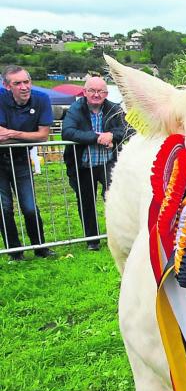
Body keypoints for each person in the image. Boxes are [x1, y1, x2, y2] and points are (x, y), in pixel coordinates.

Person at [62, 76, 126, 250]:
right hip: (83, 165)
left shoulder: (114, 108)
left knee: (114, 201)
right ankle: (92, 240)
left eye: (100, 91)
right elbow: (67, 132)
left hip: (108, 164)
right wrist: (98, 138)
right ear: (84, 92)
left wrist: (112, 135)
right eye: (92, 90)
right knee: (86, 201)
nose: (96, 94)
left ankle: (118, 237)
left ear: (106, 93)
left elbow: (127, 130)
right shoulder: (75, 109)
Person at [0, 65, 54, 260]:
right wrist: (27, 137)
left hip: (21, 159)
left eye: (26, 81)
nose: (24, 87)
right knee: (4, 207)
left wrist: (13, 134)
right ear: (7, 86)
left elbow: (43, 136)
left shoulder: (41, 99)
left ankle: (41, 247)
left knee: (29, 205)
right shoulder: (0, 97)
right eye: (17, 83)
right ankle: (15, 252)